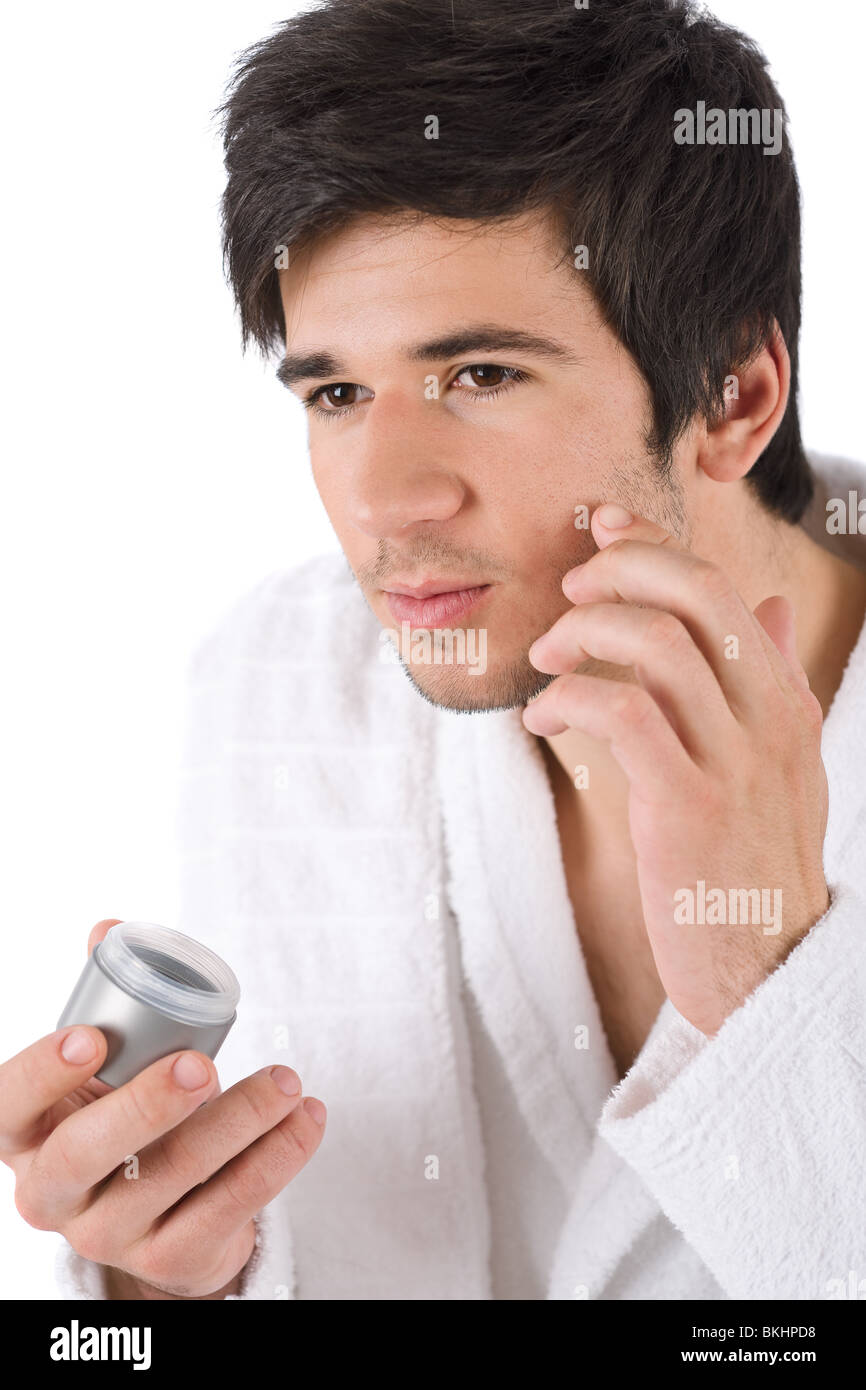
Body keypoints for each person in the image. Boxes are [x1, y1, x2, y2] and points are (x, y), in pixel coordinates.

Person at [4, 0, 866, 1300]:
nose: (386, 498)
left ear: (732, 395)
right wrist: (159, 1283)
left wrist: (767, 982)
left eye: (480, 376)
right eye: (338, 392)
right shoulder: (281, 676)